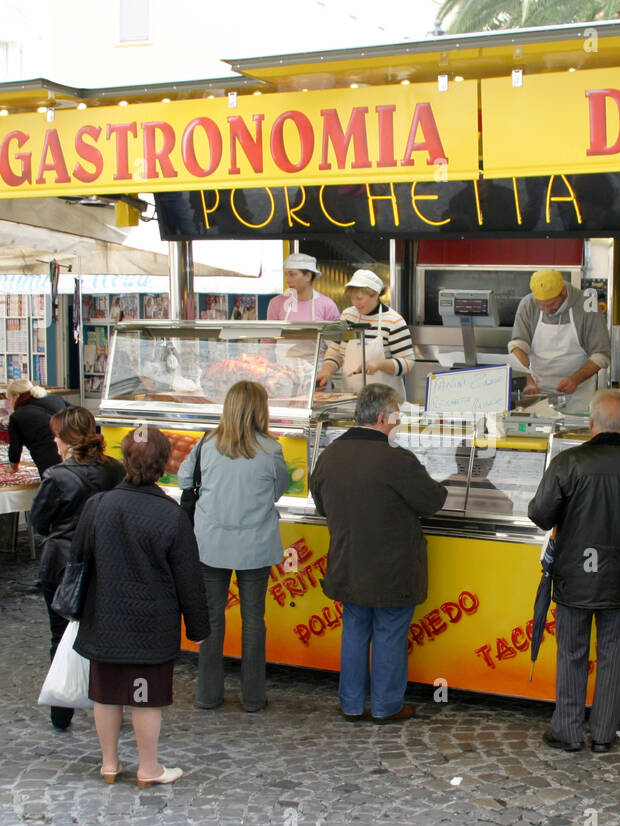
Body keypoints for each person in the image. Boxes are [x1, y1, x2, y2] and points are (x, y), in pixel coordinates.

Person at [528, 389, 620, 753]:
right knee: (614, 655)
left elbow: (540, 514)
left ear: (591, 422)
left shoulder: (568, 462)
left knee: (572, 653)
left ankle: (568, 733)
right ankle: (604, 735)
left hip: (575, 576)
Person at [71, 427, 209, 787]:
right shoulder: (171, 515)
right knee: (145, 697)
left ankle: (109, 764)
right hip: (152, 623)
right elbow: (188, 579)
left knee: (106, 693)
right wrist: (199, 628)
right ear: (164, 465)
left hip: (104, 617)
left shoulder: (98, 506)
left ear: (124, 459)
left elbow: (77, 558)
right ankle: (148, 767)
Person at [309, 384, 446, 722]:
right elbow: (432, 501)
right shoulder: (396, 458)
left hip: (348, 563)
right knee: (389, 634)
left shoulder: (329, 454)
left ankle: (351, 704)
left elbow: (322, 504)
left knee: (354, 632)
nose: (397, 424)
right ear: (383, 417)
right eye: (396, 417)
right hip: (392, 570)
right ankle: (386, 707)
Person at [178, 381, 289, 713]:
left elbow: (185, 480)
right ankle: (253, 697)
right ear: (261, 410)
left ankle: (208, 695)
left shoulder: (207, 444)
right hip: (255, 545)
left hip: (210, 543)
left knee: (211, 619)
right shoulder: (272, 449)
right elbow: (278, 489)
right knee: (254, 621)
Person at [28, 406, 124, 731]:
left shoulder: (57, 476)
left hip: (63, 563)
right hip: (106, 560)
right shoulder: (115, 470)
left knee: (60, 634)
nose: (53, 442)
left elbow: (38, 521)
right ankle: (110, 703)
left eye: (55, 436)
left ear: (65, 440)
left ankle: (61, 709)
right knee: (107, 635)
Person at [508, 269, 610, 415]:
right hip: (538, 394)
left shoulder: (587, 305)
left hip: (579, 395)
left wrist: (576, 379)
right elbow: (517, 347)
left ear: (563, 291)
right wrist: (528, 379)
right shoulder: (528, 304)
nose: (548, 309)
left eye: (552, 303)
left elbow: (601, 354)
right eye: (542, 305)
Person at [315, 269, 415, 398]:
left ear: (375, 294)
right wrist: (326, 371)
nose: (356, 303)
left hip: (385, 401)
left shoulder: (393, 321)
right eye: (352, 298)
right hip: (351, 398)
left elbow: (408, 363)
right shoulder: (347, 316)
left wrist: (379, 364)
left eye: (360, 298)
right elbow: (335, 351)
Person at [5, 380, 67, 474]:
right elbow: (79, 415)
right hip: (74, 456)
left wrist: (13, 468)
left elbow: (15, 448)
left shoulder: (17, 416)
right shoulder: (57, 399)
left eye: (10, 399)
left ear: (16, 396)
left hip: (49, 461)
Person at [265, 253, 341, 323]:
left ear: (308, 276)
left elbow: (334, 336)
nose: (287, 280)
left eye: (292, 274)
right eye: (286, 275)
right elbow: (269, 336)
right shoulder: (276, 303)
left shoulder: (327, 305)